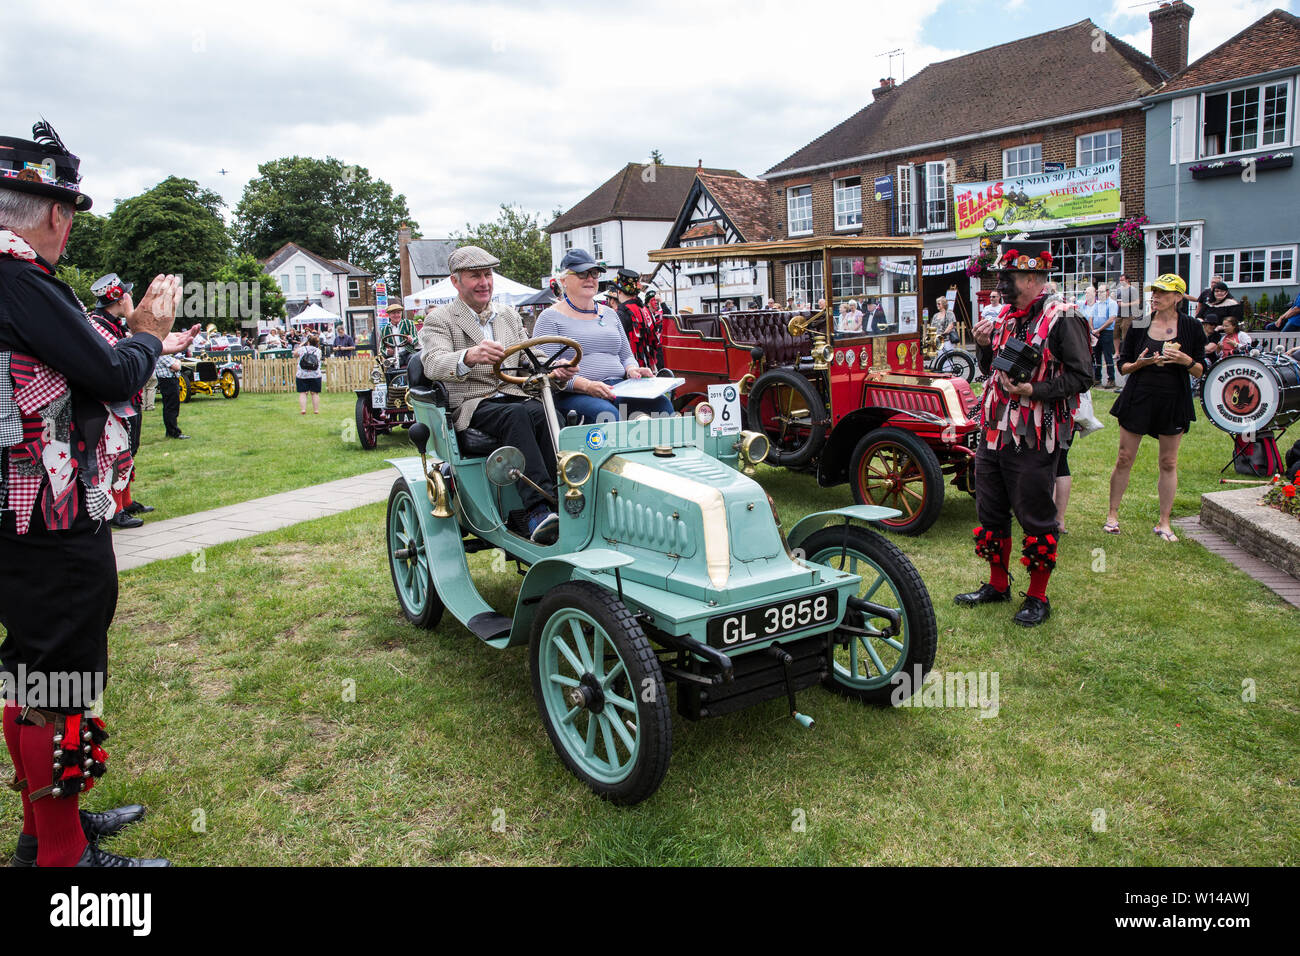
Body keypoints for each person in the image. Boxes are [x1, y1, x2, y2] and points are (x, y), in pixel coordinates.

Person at [1, 120, 197, 867]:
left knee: (33, 672)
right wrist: (148, 332)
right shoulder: (20, 280)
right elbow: (114, 374)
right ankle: (60, 859)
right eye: (72, 215)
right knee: (60, 677)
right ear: (55, 213)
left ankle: (49, 833)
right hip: (48, 514)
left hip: (22, 510)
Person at [955, 240, 1092, 627]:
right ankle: (998, 586)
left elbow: (1083, 377)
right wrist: (982, 346)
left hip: (1035, 436)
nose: (1000, 285)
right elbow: (990, 367)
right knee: (991, 511)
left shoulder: (1065, 318)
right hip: (994, 430)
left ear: (1033, 277)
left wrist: (1035, 390)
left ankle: (1037, 597)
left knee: (1035, 515)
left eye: (1007, 277)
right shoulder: (1005, 317)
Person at [418, 245, 576, 544]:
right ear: (456, 282)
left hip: (515, 396)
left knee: (546, 412)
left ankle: (567, 497)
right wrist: (468, 356)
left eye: (488, 275)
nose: (484, 283)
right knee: (518, 415)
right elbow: (432, 363)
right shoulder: (440, 320)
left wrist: (554, 367)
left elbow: (531, 353)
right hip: (472, 403)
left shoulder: (508, 316)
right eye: (475, 276)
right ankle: (537, 510)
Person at [1104, 274, 1207, 542]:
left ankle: (1164, 522)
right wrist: (1141, 363)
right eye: (1155, 291)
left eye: (1163, 292)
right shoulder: (1140, 324)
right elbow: (1123, 366)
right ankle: (1112, 515)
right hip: (1139, 395)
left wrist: (1184, 359)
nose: (1156, 296)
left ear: (1178, 297)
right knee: (1124, 457)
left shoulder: (1192, 327)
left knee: (1169, 462)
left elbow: (1199, 371)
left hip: (1173, 399)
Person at [534, 250, 669, 425]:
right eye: (582, 273)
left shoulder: (610, 314)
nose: (590, 278)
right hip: (575, 393)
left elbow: (626, 355)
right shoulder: (550, 317)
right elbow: (545, 371)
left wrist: (632, 369)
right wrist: (587, 386)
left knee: (661, 405)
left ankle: (662, 452)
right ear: (564, 280)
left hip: (619, 387)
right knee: (607, 414)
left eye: (594, 273)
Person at [87, 273, 152, 528]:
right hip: (113, 404)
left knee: (128, 450)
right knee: (116, 454)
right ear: (118, 297)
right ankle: (115, 509)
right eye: (126, 293)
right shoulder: (99, 326)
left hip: (127, 399)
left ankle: (125, 500)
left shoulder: (114, 323)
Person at [610, 267, 663, 372]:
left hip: (631, 370)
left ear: (619, 292)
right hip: (648, 366)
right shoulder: (645, 309)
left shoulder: (621, 313)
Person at [1087, 282, 1118, 388]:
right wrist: (1093, 329)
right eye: (1098, 292)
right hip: (1096, 333)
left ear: (1107, 292)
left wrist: (1099, 329)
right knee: (1097, 356)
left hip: (1106, 332)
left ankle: (1111, 379)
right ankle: (1097, 378)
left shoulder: (1112, 304)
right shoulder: (1096, 304)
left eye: (1101, 292)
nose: (1099, 294)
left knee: (1108, 356)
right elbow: (1090, 318)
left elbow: (1111, 319)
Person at [152, 350, 188, 439]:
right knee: (171, 407)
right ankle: (174, 432)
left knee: (169, 407)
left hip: (166, 381)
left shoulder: (161, 356)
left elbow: (174, 367)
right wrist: (177, 361)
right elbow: (177, 367)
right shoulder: (163, 356)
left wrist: (175, 364)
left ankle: (170, 431)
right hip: (169, 381)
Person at [294, 332, 324, 414]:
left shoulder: (302, 349)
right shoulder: (318, 351)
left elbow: (295, 354)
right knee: (315, 393)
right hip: (315, 374)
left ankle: (303, 409)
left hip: (302, 374)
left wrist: (301, 345)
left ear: (308, 341)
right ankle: (316, 410)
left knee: (303, 393)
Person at [1113, 275, 1138, 359]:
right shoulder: (1119, 290)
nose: (1121, 282)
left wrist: (1126, 304)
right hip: (1119, 314)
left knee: (1125, 334)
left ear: (1127, 280)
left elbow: (1137, 302)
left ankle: (1125, 352)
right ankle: (1117, 352)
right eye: (1120, 280)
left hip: (1128, 314)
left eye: (1122, 280)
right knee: (1116, 333)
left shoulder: (1133, 290)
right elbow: (1117, 302)